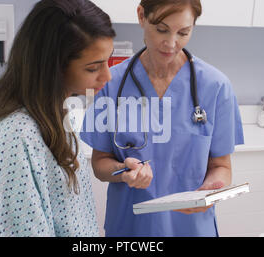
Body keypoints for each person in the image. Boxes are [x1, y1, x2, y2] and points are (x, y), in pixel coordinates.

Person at [80, 0, 244, 236]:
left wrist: (210, 190)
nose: (171, 43)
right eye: (161, 29)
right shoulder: (110, 83)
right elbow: (100, 164)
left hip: (191, 227)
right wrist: (123, 170)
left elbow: (221, 167)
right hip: (132, 227)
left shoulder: (216, 87)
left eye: (183, 33)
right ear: (141, 16)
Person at [0, 0, 115, 236]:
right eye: (93, 68)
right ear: (53, 67)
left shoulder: (54, 117)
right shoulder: (17, 135)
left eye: (108, 61)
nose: (108, 76)